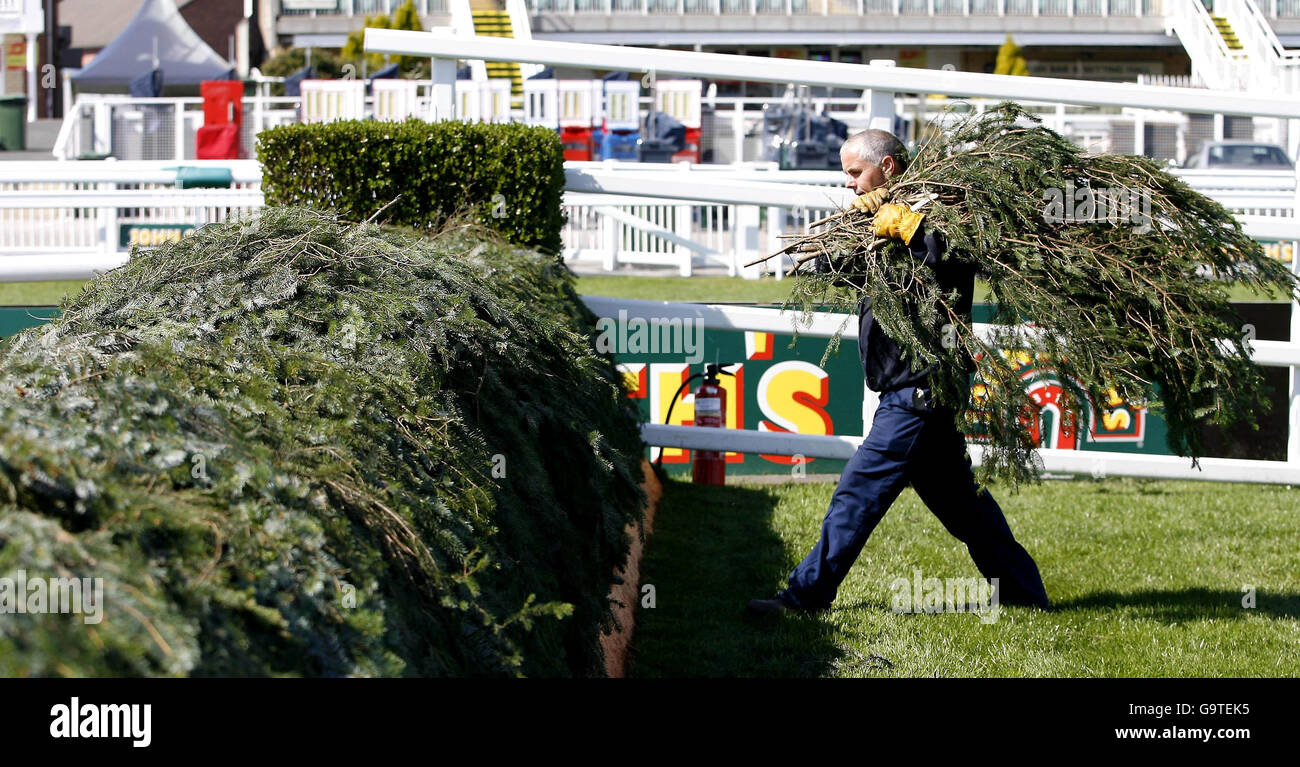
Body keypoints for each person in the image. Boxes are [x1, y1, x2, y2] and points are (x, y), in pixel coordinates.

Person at [746, 129, 1052, 616]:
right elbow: (837, 269)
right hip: (910, 391)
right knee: (965, 507)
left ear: (887, 167)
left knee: (857, 495)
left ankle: (803, 598)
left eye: (854, 173)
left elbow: (960, 258)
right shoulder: (875, 221)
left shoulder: (942, 209)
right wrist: (823, 250)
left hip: (920, 389)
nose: (848, 184)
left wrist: (913, 228)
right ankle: (1025, 595)